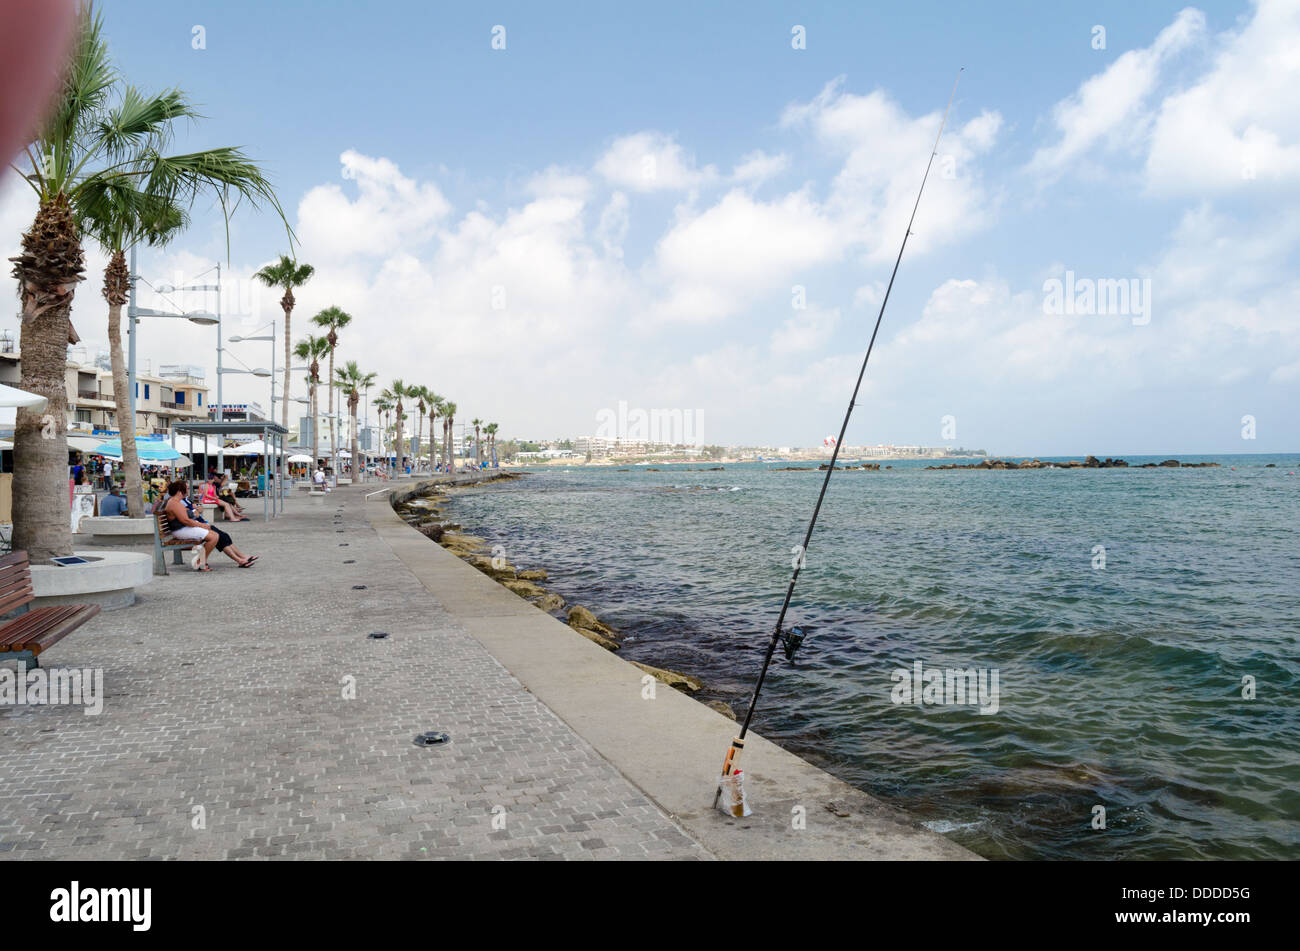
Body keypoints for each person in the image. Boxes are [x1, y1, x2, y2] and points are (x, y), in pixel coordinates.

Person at [162, 480, 258, 571]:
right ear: (180, 491)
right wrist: (201, 525)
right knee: (214, 537)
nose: (188, 491)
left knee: (215, 535)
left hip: (182, 529)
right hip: (181, 531)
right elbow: (186, 521)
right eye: (186, 489)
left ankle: (201, 562)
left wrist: (200, 523)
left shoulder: (175, 502)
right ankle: (200, 563)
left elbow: (185, 518)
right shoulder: (174, 503)